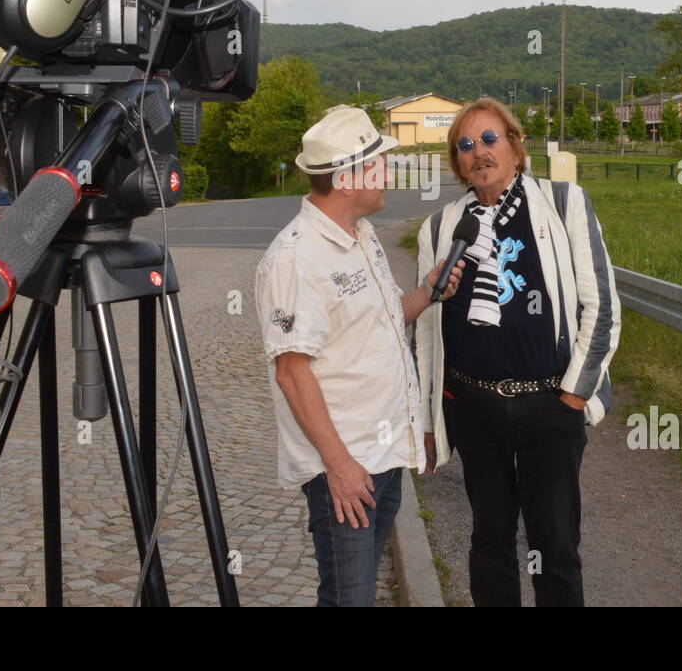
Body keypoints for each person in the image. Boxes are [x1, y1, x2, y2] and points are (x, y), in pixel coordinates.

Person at [414, 97, 621, 607]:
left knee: (555, 547)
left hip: (549, 406)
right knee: (489, 540)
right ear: (456, 160)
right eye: (465, 145)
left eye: (489, 139)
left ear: (515, 145)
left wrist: (573, 396)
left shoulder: (564, 203)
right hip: (474, 405)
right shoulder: (440, 228)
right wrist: (427, 418)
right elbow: (426, 334)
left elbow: (602, 305)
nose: (478, 153)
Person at [255, 105, 464, 607]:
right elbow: (291, 372)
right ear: (349, 177)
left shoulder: (360, 235)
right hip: (345, 468)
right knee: (349, 598)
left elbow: (386, 318)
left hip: (383, 452)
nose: (387, 173)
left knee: (359, 590)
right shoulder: (296, 258)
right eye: (379, 163)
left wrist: (427, 292)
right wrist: (340, 466)